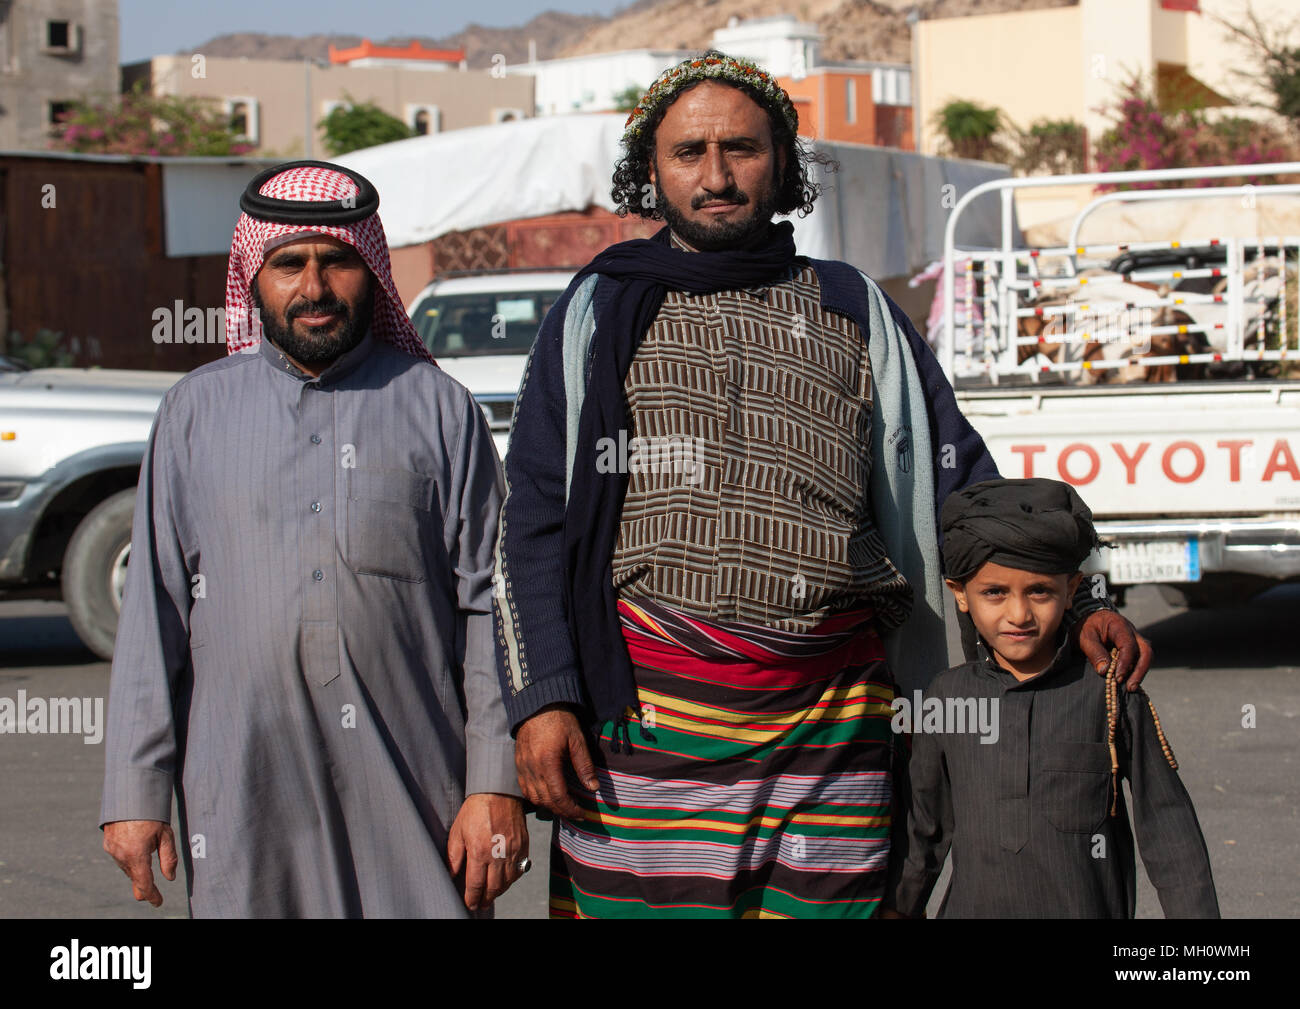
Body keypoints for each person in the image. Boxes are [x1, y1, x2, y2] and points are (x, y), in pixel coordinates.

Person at [492, 52, 1152, 918]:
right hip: (646, 729)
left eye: (744, 148)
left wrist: (1088, 597)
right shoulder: (598, 312)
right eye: (689, 153)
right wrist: (542, 701)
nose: (718, 175)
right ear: (651, 171)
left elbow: (966, 486)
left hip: (834, 728)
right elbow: (533, 521)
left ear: (785, 161)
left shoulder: (856, 310)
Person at [100, 160, 527, 918]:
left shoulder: (440, 410)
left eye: (338, 262)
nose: (315, 287)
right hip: (244, 792)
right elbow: (152, 620)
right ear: (252, 276)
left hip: (417, 788)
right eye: (288, 264)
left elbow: (490, 610)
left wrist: (493, 782)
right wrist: (134, 792)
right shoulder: (194, 415)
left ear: (372, 270)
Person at [886, 478, 1219, 918]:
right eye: (994, 593)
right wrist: (898, 908)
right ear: (960, 595)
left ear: (1071, 588)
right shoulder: (947, 699)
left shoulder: (1110, 693)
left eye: (1040, 591)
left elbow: (1169, 827)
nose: (1019, 614)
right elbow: (924, 832)